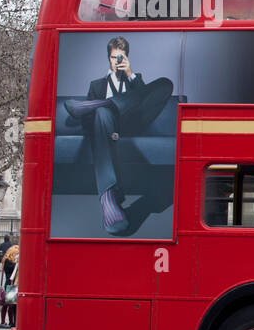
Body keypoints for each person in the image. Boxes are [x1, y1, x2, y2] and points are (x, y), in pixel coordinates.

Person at [63, 36, 173, 235]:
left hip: (133, 123)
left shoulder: (135, 80)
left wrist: (131, 74)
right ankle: (108, 199)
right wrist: (103, 113)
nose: (117, 61)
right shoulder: (96, 85)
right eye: (114, 57)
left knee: (164, 83)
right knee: (102, 113)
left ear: (127, 58)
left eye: (121, 57)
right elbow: (89, 123)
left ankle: (104, 103)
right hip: (105, 128)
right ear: (108, 58)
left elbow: (146, 104)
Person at [0, 244, 19, 329]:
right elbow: (11, 270)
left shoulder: (8, 261)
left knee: (10, 305)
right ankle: (3, 322)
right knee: (7, 305)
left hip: (9, 283)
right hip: (10, 284)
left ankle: (11, 322)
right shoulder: (8, 262)